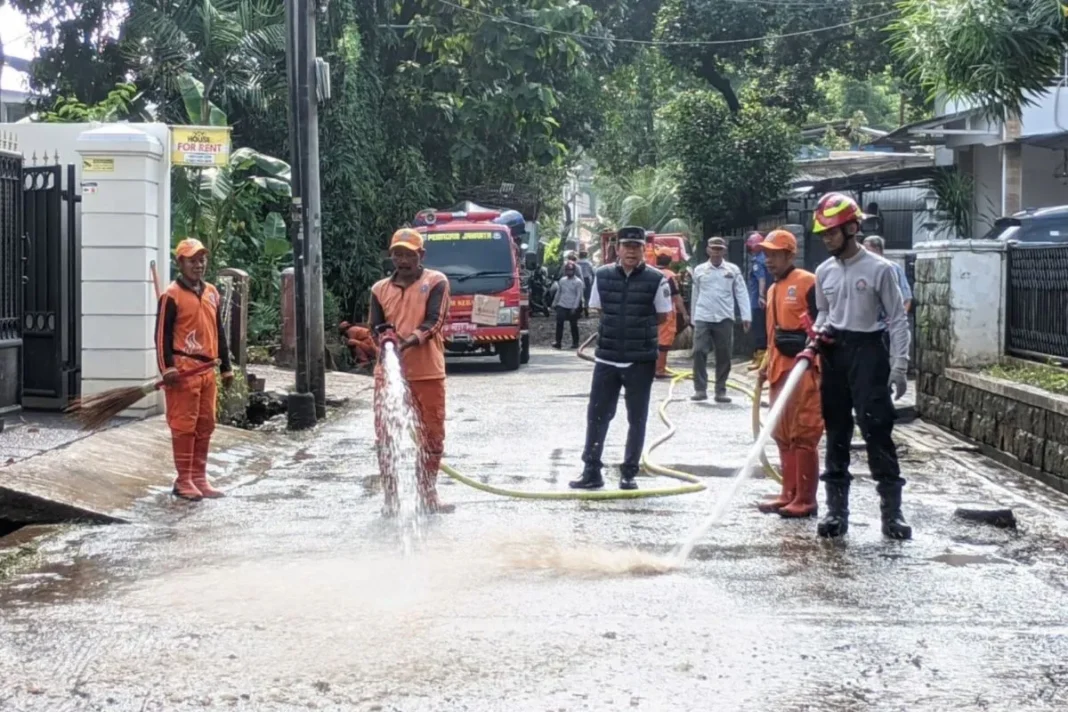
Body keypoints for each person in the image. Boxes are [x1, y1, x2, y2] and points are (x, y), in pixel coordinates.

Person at [811, 193, 912, 540]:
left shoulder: (880, 269)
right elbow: (824, 312)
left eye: (832, 232)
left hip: (869, 351)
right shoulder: (823, 272)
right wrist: (818, 333)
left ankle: (892, 514)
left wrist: (899, 365)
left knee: (876, 429)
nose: (827, 240)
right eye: (823, 234)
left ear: (851, 229)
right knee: (836, 430)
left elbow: (897, 319)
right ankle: (836, 512)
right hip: (834, 352)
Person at [570, 226, 673, 491]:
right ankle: (591, 471)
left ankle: (629, 473)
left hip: (640, 360)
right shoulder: (602, 276)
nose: (631, 251)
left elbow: (662, 316)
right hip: (607, 357)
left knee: (636, 418)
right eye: (626, 246)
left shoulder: (657, 280)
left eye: (636, 247)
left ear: (643, 250)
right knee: (597, 415)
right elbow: (598, 308)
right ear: (617, 248)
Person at [369, 228, 453, 514]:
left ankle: (428, 495)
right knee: (386, 437)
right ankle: (390, 499)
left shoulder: (436, 282)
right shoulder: (379, 289)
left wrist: (405, 343)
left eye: (409, 255)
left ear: (421, 255)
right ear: (391, 256)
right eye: (397, 254)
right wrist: (384, 341)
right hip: (388, 375)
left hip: (427, 372)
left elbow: (434, 322)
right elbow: (374, 327)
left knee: (432, 437)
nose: (403, 261)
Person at [155, 238, 234, 501]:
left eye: (202, 260)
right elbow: (161, 336)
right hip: (183, 370)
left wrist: (226, 368)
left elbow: (218, 331)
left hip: (207, 368)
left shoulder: (211, 292)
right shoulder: (171, 295)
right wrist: (167, 368)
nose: (198, 265)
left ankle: (199, 477)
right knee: (184, 425)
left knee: (205, 423)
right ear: (181, 263)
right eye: (192, 260)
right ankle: (184, 480)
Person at [755, 229, 822, 518]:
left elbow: (824, 324)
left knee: (803, 434)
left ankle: (806, 499)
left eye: (774, 254)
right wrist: (764, 365)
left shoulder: (808, 282)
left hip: (804, 372)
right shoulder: (772, 290)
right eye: (765, 254)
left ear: (789, 254)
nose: (768, 260)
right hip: (778, 372)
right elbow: (773, 335)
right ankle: (788, 493)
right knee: (782, 434)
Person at [690, 237, 751, 403]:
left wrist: (746, 316)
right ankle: (700, 389)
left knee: (724, 355)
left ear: (724, 251)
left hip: (724, 317)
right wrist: (693, 317)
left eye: (719, 249)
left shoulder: (732, 270)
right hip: (703, 316)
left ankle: (720, 390)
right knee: (699, 351)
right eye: (713, 249)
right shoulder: (699, 270)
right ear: (708, 250)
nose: (716, 252)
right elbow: (695, 294)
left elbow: (741, 292)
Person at [863, 235, 914, 348]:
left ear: (877, 249)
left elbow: (907, 299)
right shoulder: (863, 270)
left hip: (889, 328)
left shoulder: (893, 268)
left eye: (867, 249)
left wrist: (898, 322)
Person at [654, 248, 689, 378]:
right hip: (666, 313)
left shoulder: (650, 272)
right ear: (670, 261)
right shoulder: (670, 276)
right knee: (664, 341)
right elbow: (676, 296)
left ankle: (653, 368)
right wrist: (685, 313)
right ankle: (659, 370)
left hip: (651, 312)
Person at [747, 232, 770, 365]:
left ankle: (760, 358)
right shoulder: (765, 257)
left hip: (758, 302)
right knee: (765, 328)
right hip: (767, 300)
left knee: (759, 329)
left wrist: (761, 296)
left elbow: (761, 279)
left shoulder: (757, 261)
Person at [552, 261, 585, 349]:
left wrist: (575, 307)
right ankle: (558, 342)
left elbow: (579, 296)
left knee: (573, 324)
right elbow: (559, 292)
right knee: (559, 323)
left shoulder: (578, 282)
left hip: (572, 305)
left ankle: (575, 342)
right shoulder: (562, 280)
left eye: (570, 270)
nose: (569, 272)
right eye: (567, 270)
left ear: (574, 271)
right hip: (562, 304)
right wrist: (554, 303)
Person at [576, 249, 595, 317]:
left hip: (578, 279)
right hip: (587, 279)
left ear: (579, 256)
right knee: (587, 295)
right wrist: (592, 281)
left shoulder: (576, 263)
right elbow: (593, 273)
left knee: (579, 294)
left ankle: (579, 308)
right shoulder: (589, 263)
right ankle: (586, 306)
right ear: (586, 256)